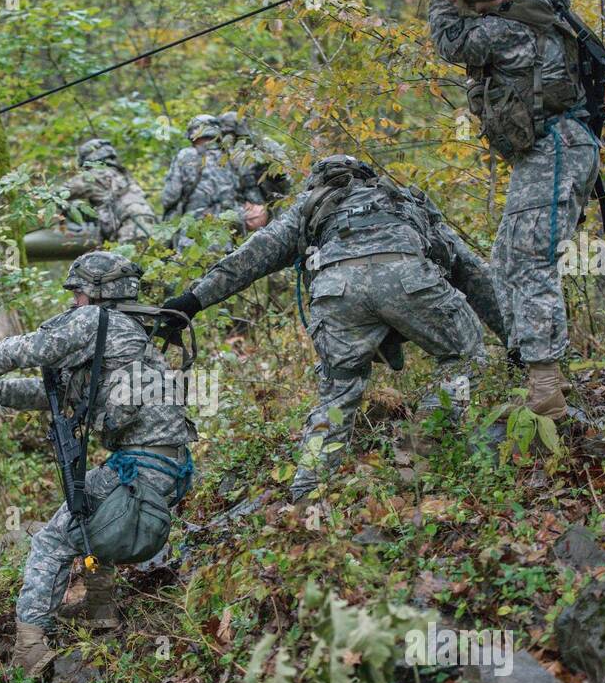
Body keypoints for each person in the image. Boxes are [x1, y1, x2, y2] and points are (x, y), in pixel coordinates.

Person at [162, 154, 508, 500]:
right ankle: (431, 426)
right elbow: (472, 271)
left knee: (336, 400)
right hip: (408, 277)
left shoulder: (309, 207)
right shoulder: (402, 198)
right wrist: (516, 340)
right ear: (367, 176)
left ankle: (305, 493)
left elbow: (250, 259)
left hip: (335, 291)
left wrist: (191, 302)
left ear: (317, 182)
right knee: (466, 358)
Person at [0, 251, 196, 676]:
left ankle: (30, 649)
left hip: (141, 468)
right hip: (167, 467)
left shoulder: (97, 321)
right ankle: (101, 611)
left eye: (77, 292)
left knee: (53, 539)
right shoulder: (125, 338)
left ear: (95, 294)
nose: (73, 301)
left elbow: (34, 347)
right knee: (86, 516)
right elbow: (47, 394)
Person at [426, 0, 602, 419]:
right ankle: (529, 370)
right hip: (546, 152)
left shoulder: (506, 29)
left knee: (527, 259)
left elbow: (450, 42)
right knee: (505, 259)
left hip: (557, 146)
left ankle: (546, 390)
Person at [160, 114, 245, 245]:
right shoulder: (232, 156)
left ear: (193, 134)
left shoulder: (185, 155)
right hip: (228, 235)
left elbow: (170, 197)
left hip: (194, 236)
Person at [65, 138, 157, 243]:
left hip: (129, 230)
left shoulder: (92, 175)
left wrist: (73, 208)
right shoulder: (125, 176)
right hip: (152, 229)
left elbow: (57, 195)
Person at [218, 111, 292, 222]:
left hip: (269, 207)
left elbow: (286, 178)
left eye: (230, 133)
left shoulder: (265, 145)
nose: (227, 137)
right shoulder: (222, 153)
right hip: (238, 211)